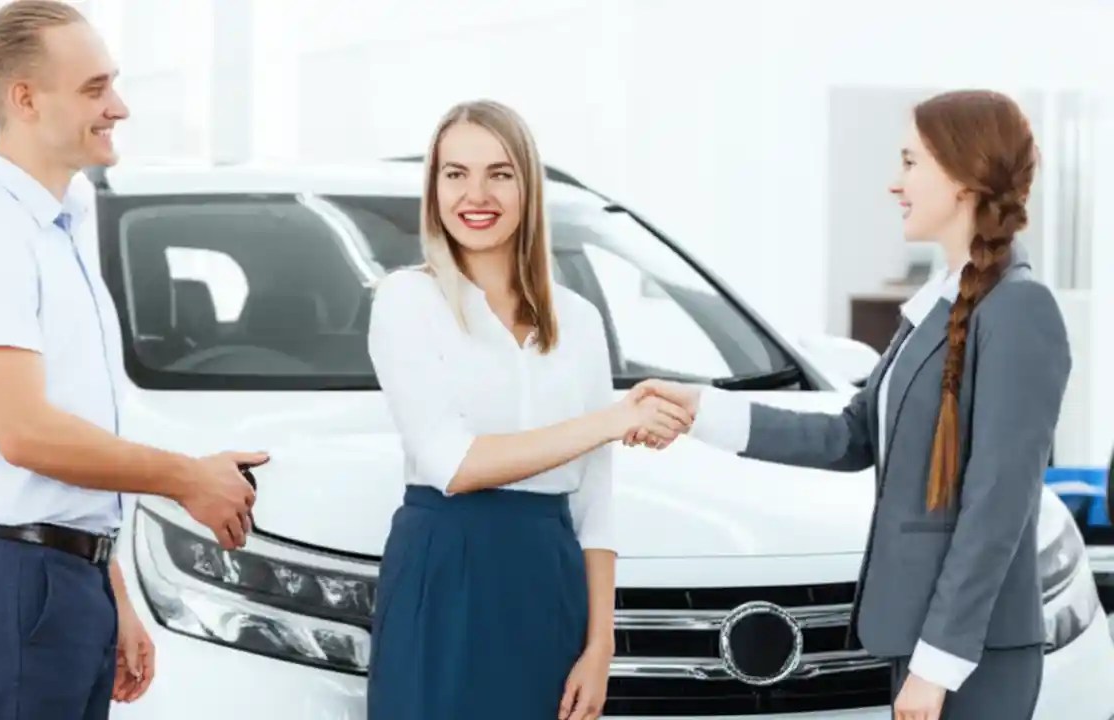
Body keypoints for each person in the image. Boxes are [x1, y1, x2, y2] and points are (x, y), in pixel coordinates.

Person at [633, 90, 1068, 720]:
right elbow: (849, 435)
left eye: (911, 163)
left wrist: (936, 665)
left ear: (963, 175)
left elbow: (997, 510)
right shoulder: (939, 308)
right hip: (915, 638)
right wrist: (703, 411)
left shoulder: (1019, 310)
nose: (896, 184)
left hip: (971, 652)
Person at [0, 2, 264, 718]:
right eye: (95, 88)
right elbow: (26, 434)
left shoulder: (63, 227)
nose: (120, 107)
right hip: (17, 585)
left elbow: (72, 447)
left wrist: (113, 597)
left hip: (63, 580)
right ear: (24, 98)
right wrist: (185, 479)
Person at [365, 100, 689, 720]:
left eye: (500, 173)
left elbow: (596, 506)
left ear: (528, 187)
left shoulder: (581, 321)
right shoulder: (408, 301)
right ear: (433, 188)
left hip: (548, 574)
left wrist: (601, 646)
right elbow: (451, 463)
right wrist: (615, 419)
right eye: (455, 173)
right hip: (444, 569)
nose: (475, 193)